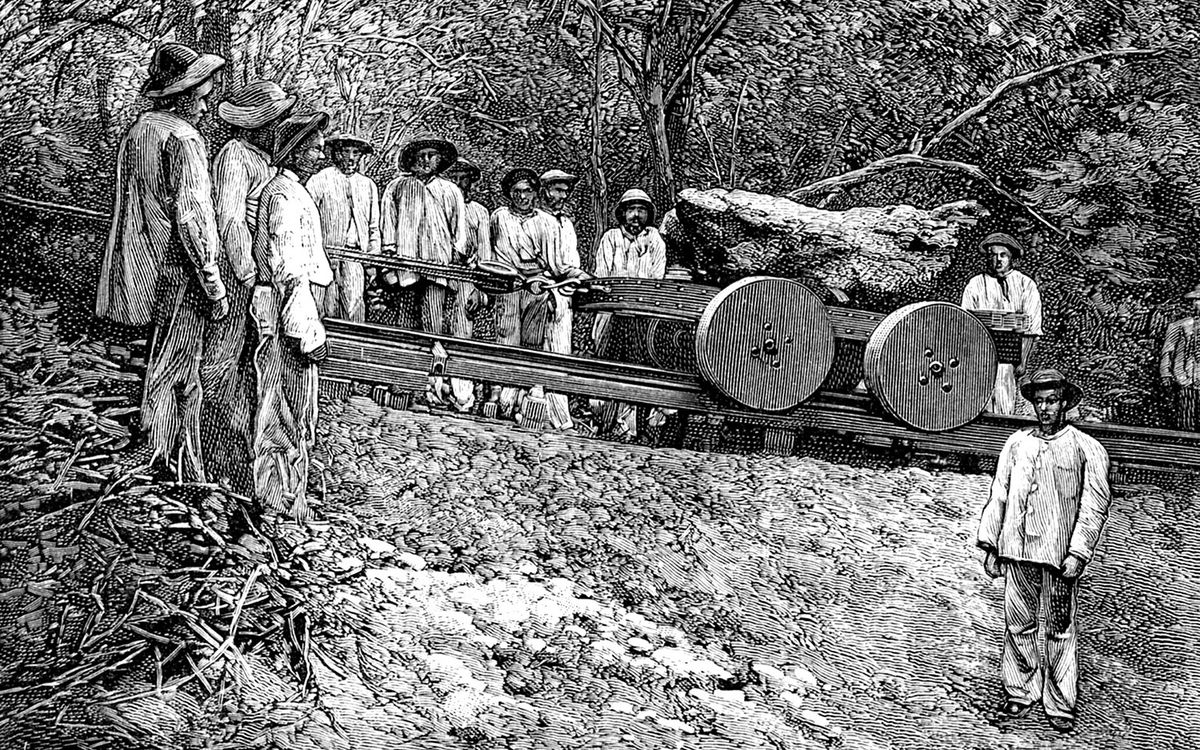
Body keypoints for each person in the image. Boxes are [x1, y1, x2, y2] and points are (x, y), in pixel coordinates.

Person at [95, 43, 229, 482]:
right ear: (184, 92)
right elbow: (192, 218)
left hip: (142, 265)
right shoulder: (183, 139)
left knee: (167, 362)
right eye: (203, 93)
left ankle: (179, 462)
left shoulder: (139, 130)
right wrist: (212, 280)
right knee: (178, 368)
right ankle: (167, 460)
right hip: (179, 269)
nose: (206, 102)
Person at [977, 368, 1112, 734]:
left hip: (1058, 555)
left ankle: (1061, 702)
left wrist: (1078, 552)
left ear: (1065, 403)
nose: (1045, 408)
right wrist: (991, 543)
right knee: (1018, 623)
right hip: (1017, 549)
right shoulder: (1016, 443)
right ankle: (1020, 690)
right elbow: (1000, 493)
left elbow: (1093, 505)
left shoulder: (1087, 448)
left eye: (1052, 401)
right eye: (1039, 401)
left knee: (1059, 628)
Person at [201, 78, 296, 491]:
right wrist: (246, 273)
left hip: (257, 281)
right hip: (239, 277)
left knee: (248, 369)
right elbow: (231, 219)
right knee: (221, 368)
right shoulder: (235, 156)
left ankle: (242, 467)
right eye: (276, 119)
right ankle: (216, 462)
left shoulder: (262, 160)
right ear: (258, 122)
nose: (280, 126)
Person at [249, 112, 332, 522]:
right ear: (296, 149)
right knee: (282, 409)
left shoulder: (294, 191)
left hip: (293, 307)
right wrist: (303, 325)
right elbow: (287, 266)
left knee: (298, 411)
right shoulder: (282, 194)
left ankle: (290, 500)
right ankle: (277, 501)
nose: (320, 152)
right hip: (287, 313)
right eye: (314, 146)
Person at [380, 134, 474, 411]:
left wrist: (452, 260)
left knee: (434, 326)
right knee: (405, 323)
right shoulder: (398, 187)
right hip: (407, 265)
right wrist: (389, 262)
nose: (425, 160)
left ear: (440, 160)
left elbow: (459, 234)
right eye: (421, 155)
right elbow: (389, 225)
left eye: (431, 155)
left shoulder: (449, 190)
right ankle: (402, 383)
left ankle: (434, 389)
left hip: (437, 267)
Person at [588, 188, 668, 438]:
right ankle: (604, 420)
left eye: (641, 210)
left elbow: (656, 278)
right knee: (607, 363)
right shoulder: (610, 238)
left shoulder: (654, 239)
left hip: (640, 316)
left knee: (636, 366)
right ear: (622, 213)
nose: (636, 215)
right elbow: (603, 275)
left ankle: (630, 426)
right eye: (631, 210)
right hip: (612, 312)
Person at [488, 168, 553, 419]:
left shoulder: (545, 222)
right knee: (506, 335)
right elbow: (492, 250)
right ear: (508, 194)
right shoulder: (500, 217)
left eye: (528, 191)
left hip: (536, 284)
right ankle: (500, 392)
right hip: (507, 282)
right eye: (517, 191)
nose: (522, 197)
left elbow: (549, 259)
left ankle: (527, 395)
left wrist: (540, 279)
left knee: (533, 339)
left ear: (536, 193)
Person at [961, 233, 1043, 415]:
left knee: (1003, 399)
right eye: (992, 255)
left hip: (1008, 356)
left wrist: (1022, 360)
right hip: (979, 354)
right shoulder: (975, 284)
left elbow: (1031, 327)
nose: (997, 260)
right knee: (976, 400)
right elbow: (965, 322)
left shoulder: (1025, 284)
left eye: (1002, 255)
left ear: (1011, 257)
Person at [306, 131, 381, 321]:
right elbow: (306, 221)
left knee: (354, 304)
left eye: (355, 153)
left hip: (355, 255)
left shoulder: (368, 185)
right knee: (327, 304)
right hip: (325, 254)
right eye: (345, 151)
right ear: (335, 153)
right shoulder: (319, 180)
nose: (350, 158)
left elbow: (373, 227)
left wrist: (371, 261)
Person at [538, 169, 588, 430]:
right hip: (543, 291)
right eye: (558, 190)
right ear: (545, 190)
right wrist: (581, 276)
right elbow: (558, 264)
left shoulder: (566, 223)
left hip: (564, 294)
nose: (563, 195)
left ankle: (558, 415)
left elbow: (571, 260)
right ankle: (543, 413)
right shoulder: (539, 220)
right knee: (540, 351)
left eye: (566, 191)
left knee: (560, 352)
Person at [1159, 283, 1200, 431]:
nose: (1197, 303)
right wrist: (1166, 374)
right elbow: (1167, 351)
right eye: (1196, 300)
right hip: (1185, 377)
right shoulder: (1178, 326)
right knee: (1186, 413)